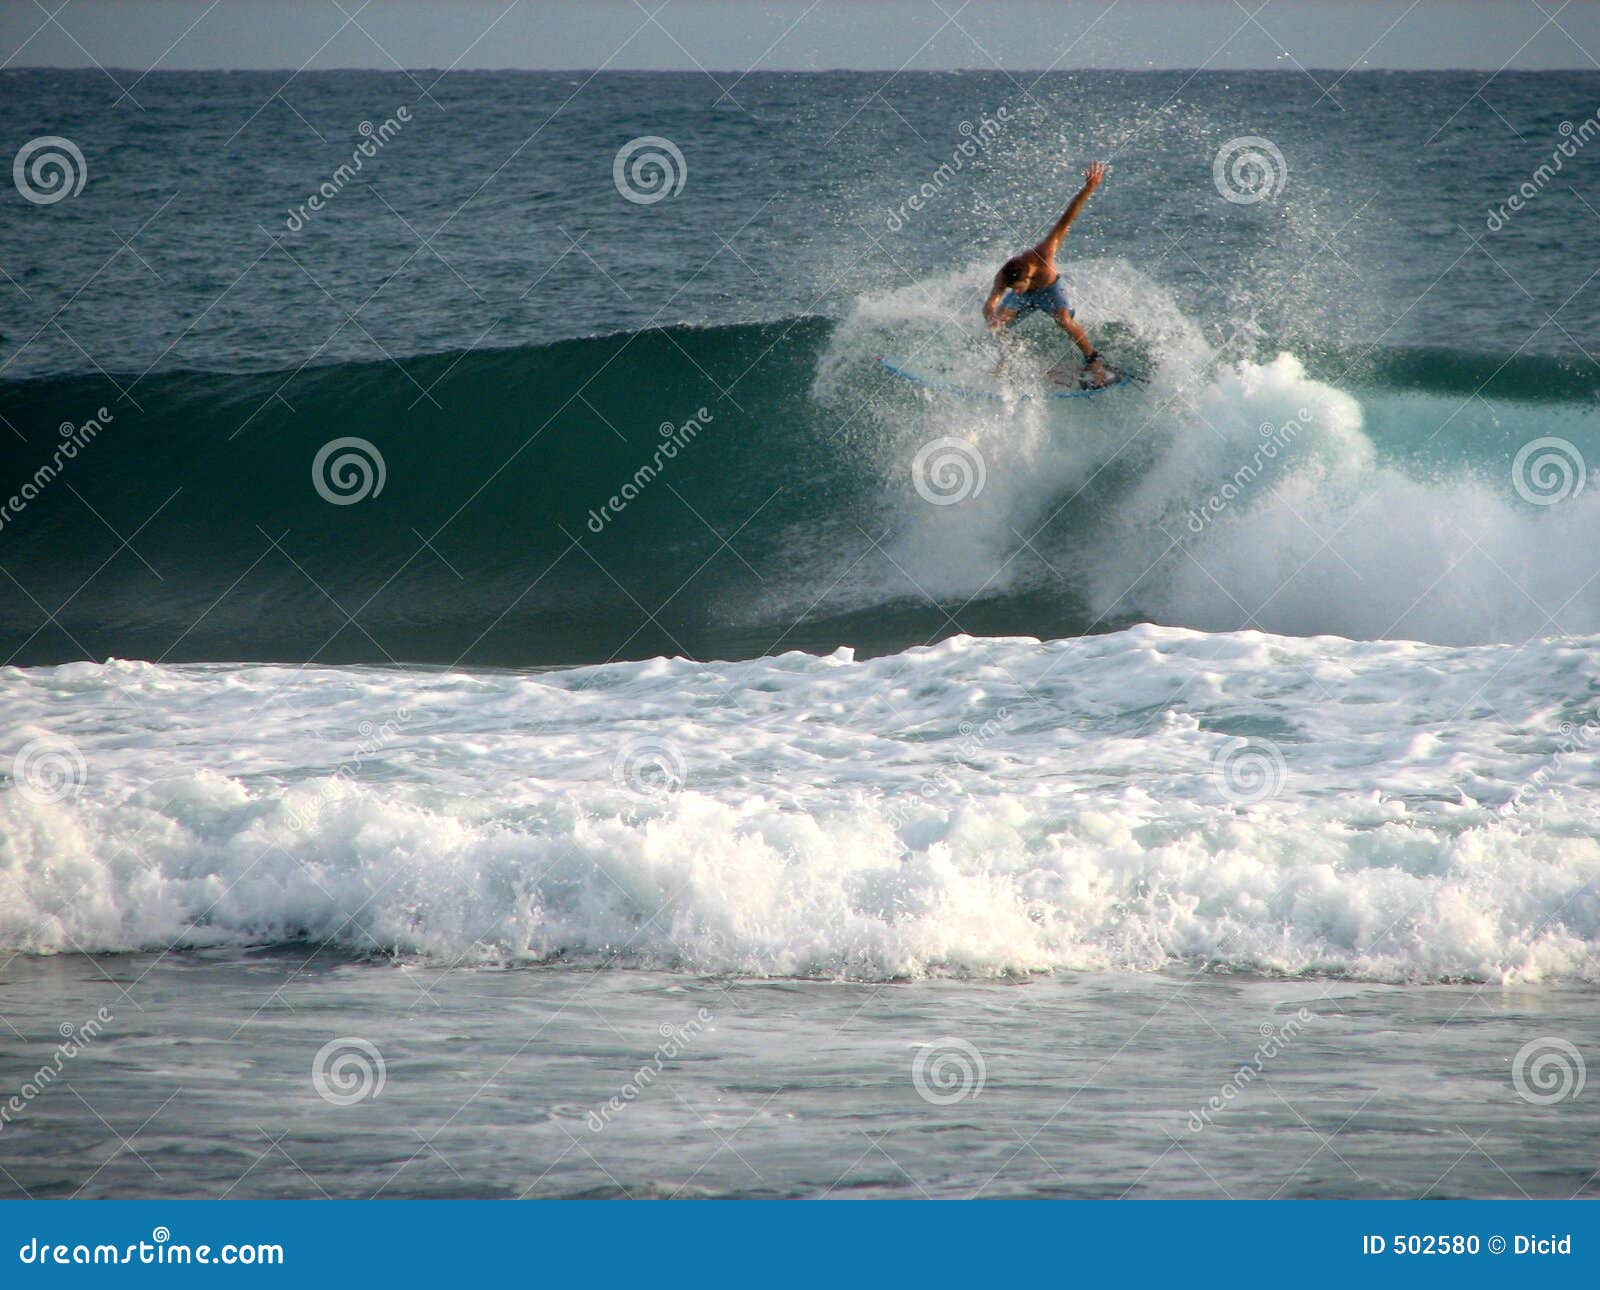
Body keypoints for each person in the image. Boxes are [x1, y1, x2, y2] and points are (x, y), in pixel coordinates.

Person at [982, 162, 1113, 387]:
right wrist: (993, 318)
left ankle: (1093, 359)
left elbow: (1067, 218)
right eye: (1014, 289)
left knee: (1063, 319)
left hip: (1051, 291)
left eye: (1019, 286)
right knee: (1001, 324)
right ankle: (1007, 360)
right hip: (1026, 299)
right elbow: (990, 303)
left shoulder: (1045, 252)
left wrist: (1089, 188)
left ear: (1029, 276)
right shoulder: (1006, 275)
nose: (1016, 291)